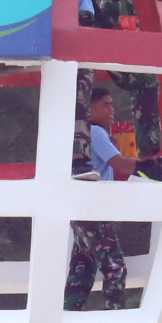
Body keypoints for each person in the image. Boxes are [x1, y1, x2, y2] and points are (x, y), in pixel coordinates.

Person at [66, 88, 134, 311]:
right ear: (90, 109)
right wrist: (155, 164)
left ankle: (69, 315)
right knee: (115, 267)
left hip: (80, 211)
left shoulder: (87, 134)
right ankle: (114, 320)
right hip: (94, 210)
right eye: (106, 105)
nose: (112, 110)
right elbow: (121, 165)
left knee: (83, 268)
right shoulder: (95, 132)